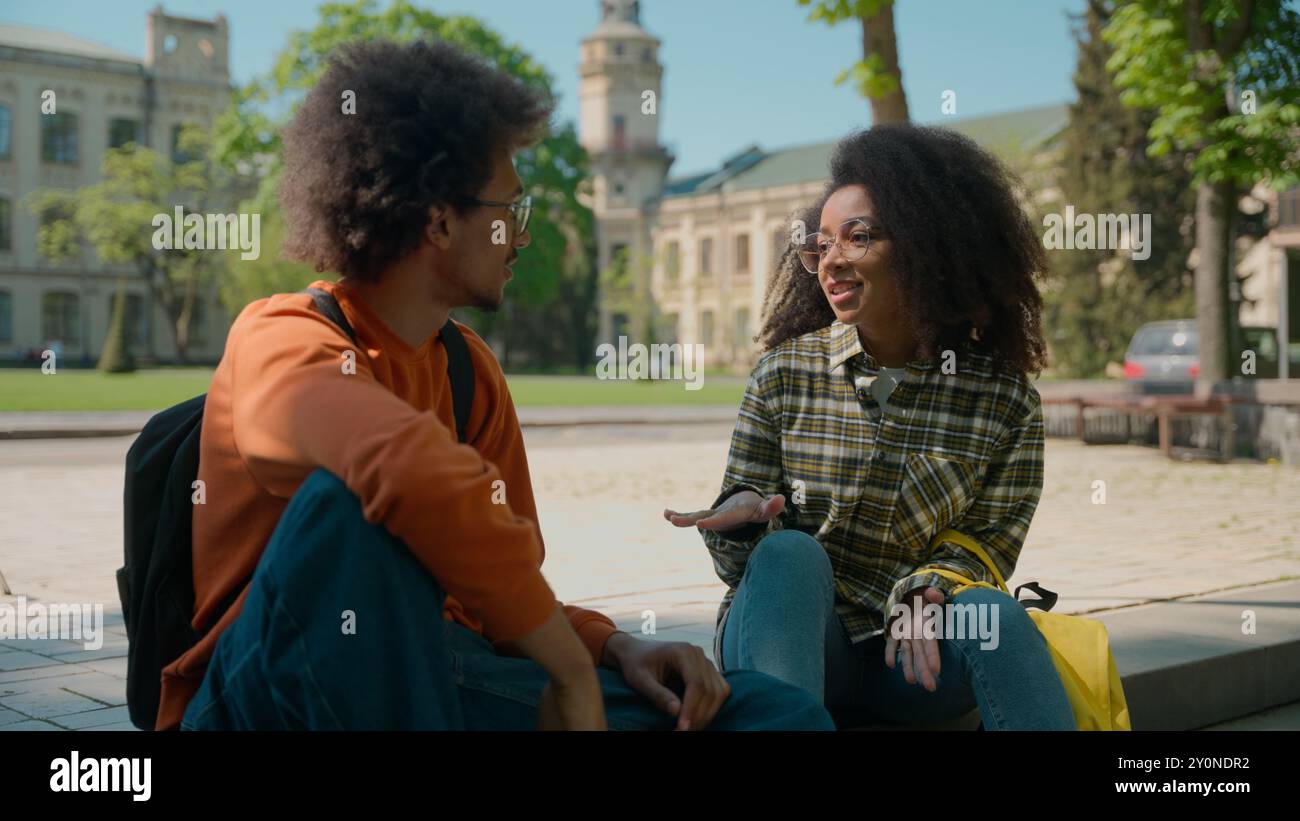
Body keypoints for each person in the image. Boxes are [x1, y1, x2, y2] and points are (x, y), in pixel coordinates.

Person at [167, 38, 832, 732]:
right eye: (510, 211)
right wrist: (572, 677)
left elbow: (498, 594)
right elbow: (401, 471)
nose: (522, 237)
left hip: (453, 673)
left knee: (772, 713)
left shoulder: (468, 374)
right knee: (351, 507)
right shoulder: (281, 337)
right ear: (440, 218)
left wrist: (615, 646)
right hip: (277, 686)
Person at [665, 124, 1075, 730]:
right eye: (821, 244)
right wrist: (741, 516)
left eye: (856, 238)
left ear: (926, 245)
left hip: (911, 658)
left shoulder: (1003, 401)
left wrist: (925, 591)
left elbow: (987, 544)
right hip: (793, 645)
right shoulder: (784, 374)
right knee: (788, 553)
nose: (831, 260)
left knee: (998, 614)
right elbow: (739, 572)